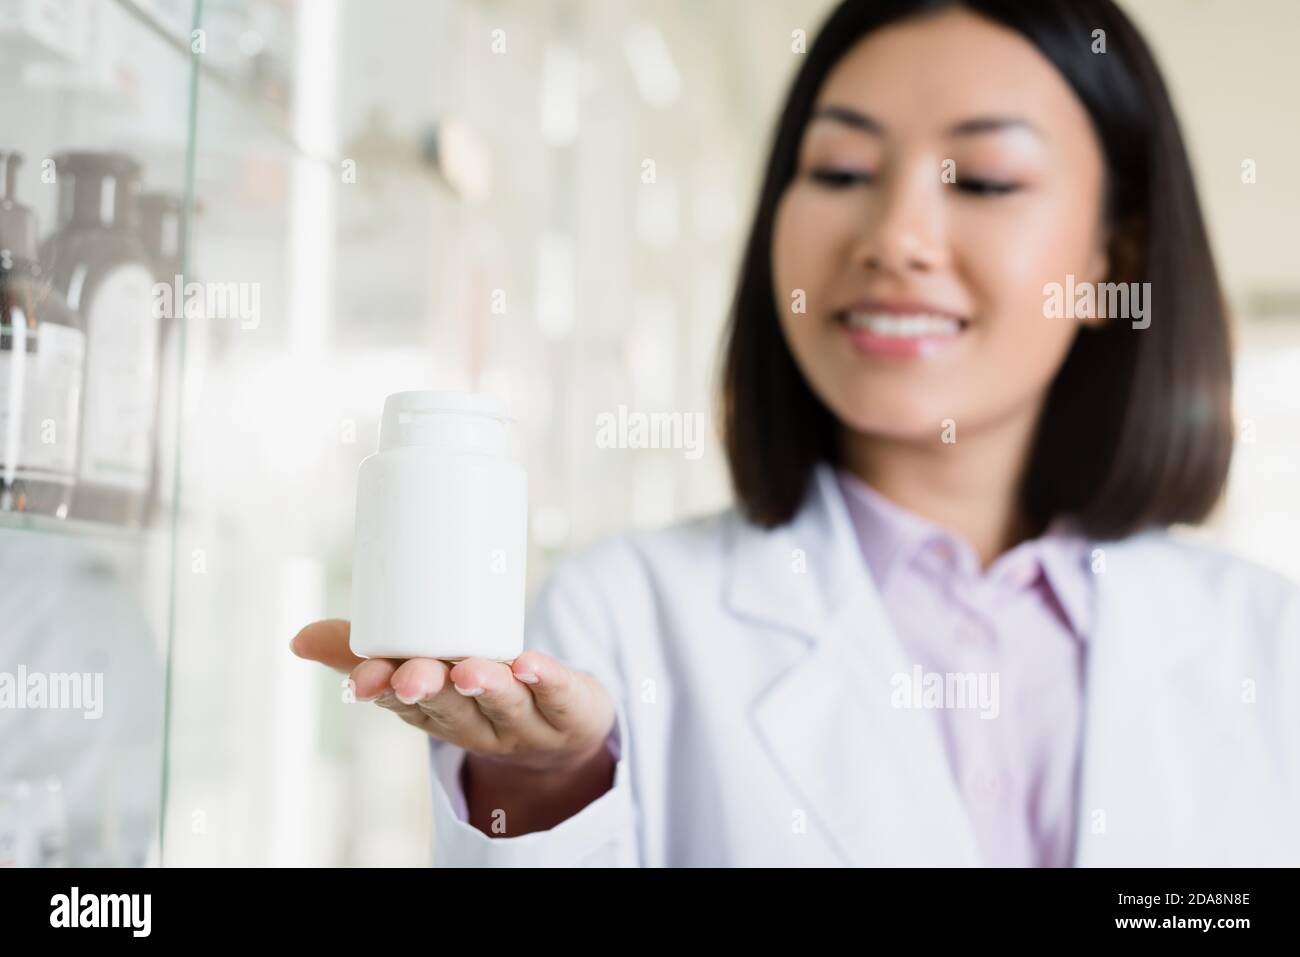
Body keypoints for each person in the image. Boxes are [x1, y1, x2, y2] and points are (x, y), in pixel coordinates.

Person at [290, 0, 1300, 866]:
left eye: (985, 180)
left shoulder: (1266, 644)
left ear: (1108, 254)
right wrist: (544, 791)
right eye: (841, 168)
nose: (895, 237)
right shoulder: (620, 618)